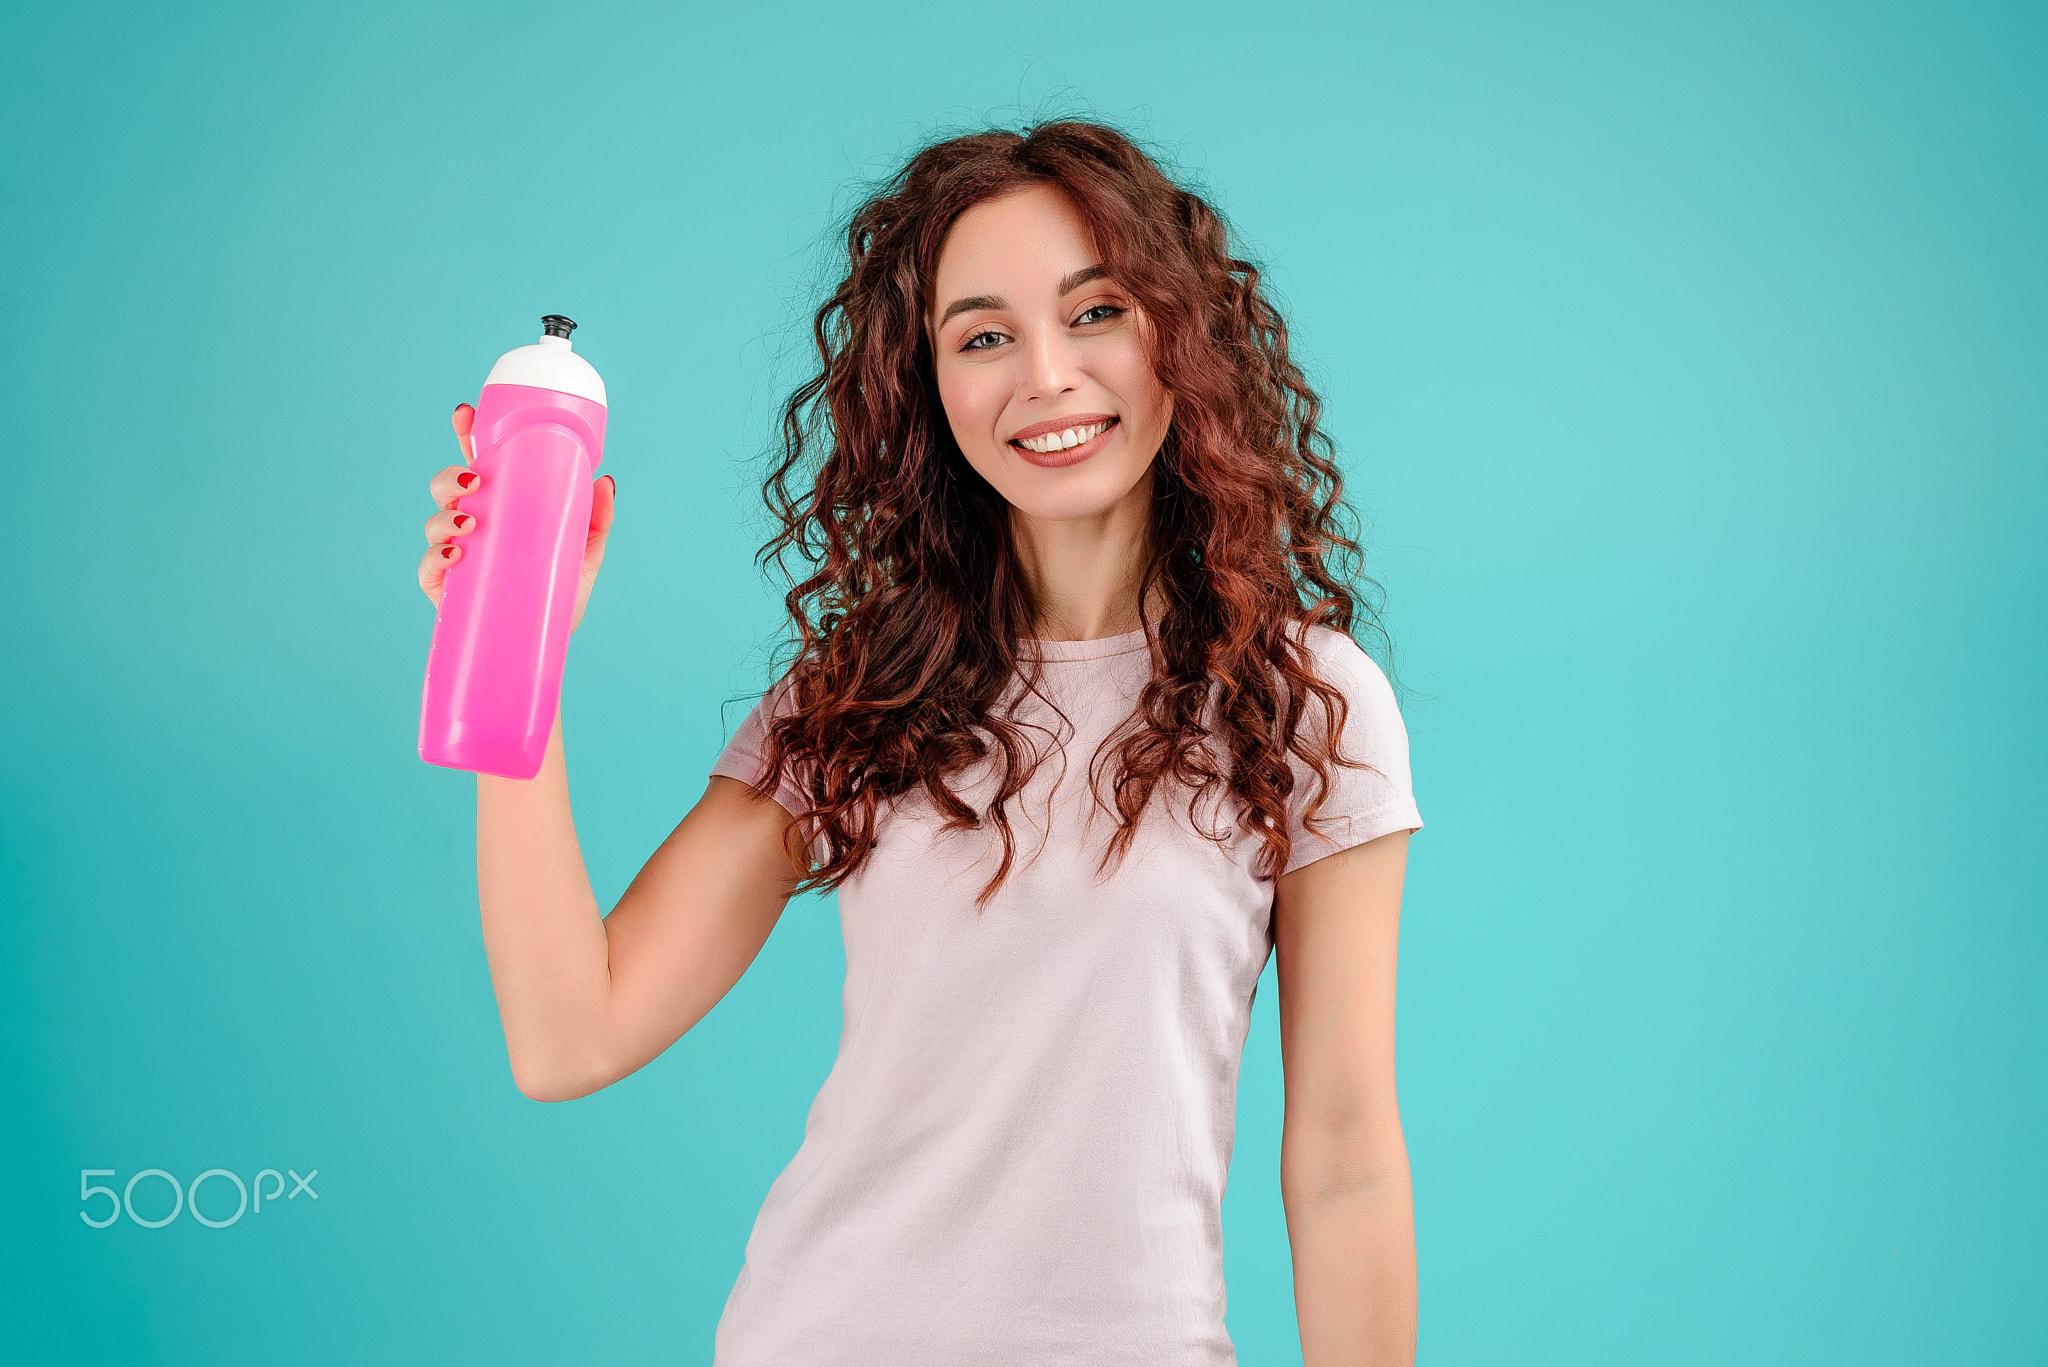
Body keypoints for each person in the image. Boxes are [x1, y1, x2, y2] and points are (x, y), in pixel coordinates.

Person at [417, 120, 1423, 1367]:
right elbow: (571, 1035)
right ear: (927, 384)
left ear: (1181, 336)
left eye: (1096, 311)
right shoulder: (860, 693)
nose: (1044, 377)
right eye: (984, 334)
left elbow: (1340, 1160)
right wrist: (520, 645)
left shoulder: (1306, 702)